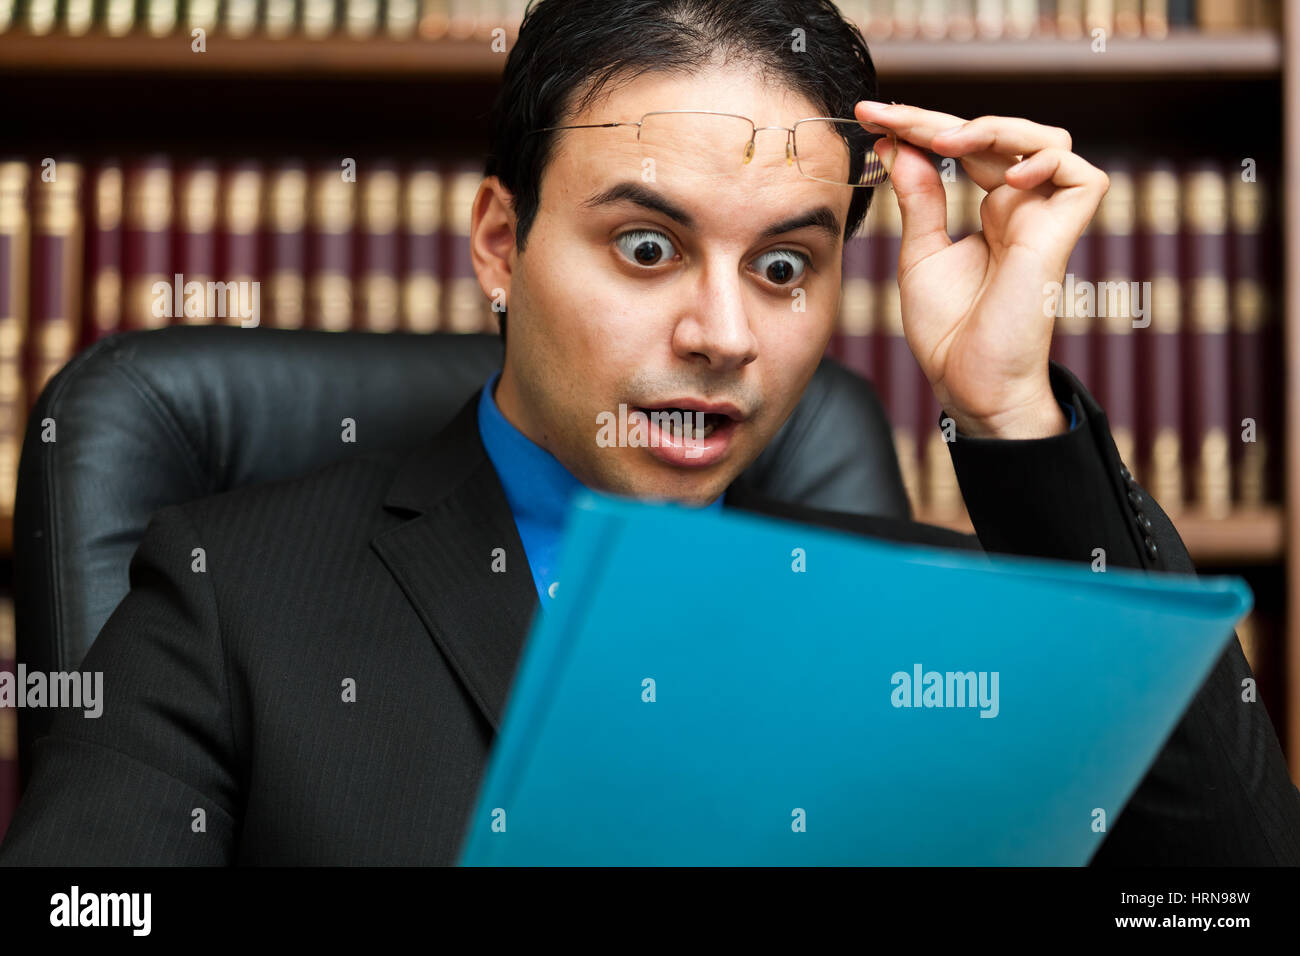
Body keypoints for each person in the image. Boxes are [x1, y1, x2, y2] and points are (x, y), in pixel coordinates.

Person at [3, 0, 1298, 865]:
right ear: (501, 245)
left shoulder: (915, 613)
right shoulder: (232, 594)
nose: (723, 332)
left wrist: (1009, 411)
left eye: (786, 268)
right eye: (644, 247)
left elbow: (1229, 879)